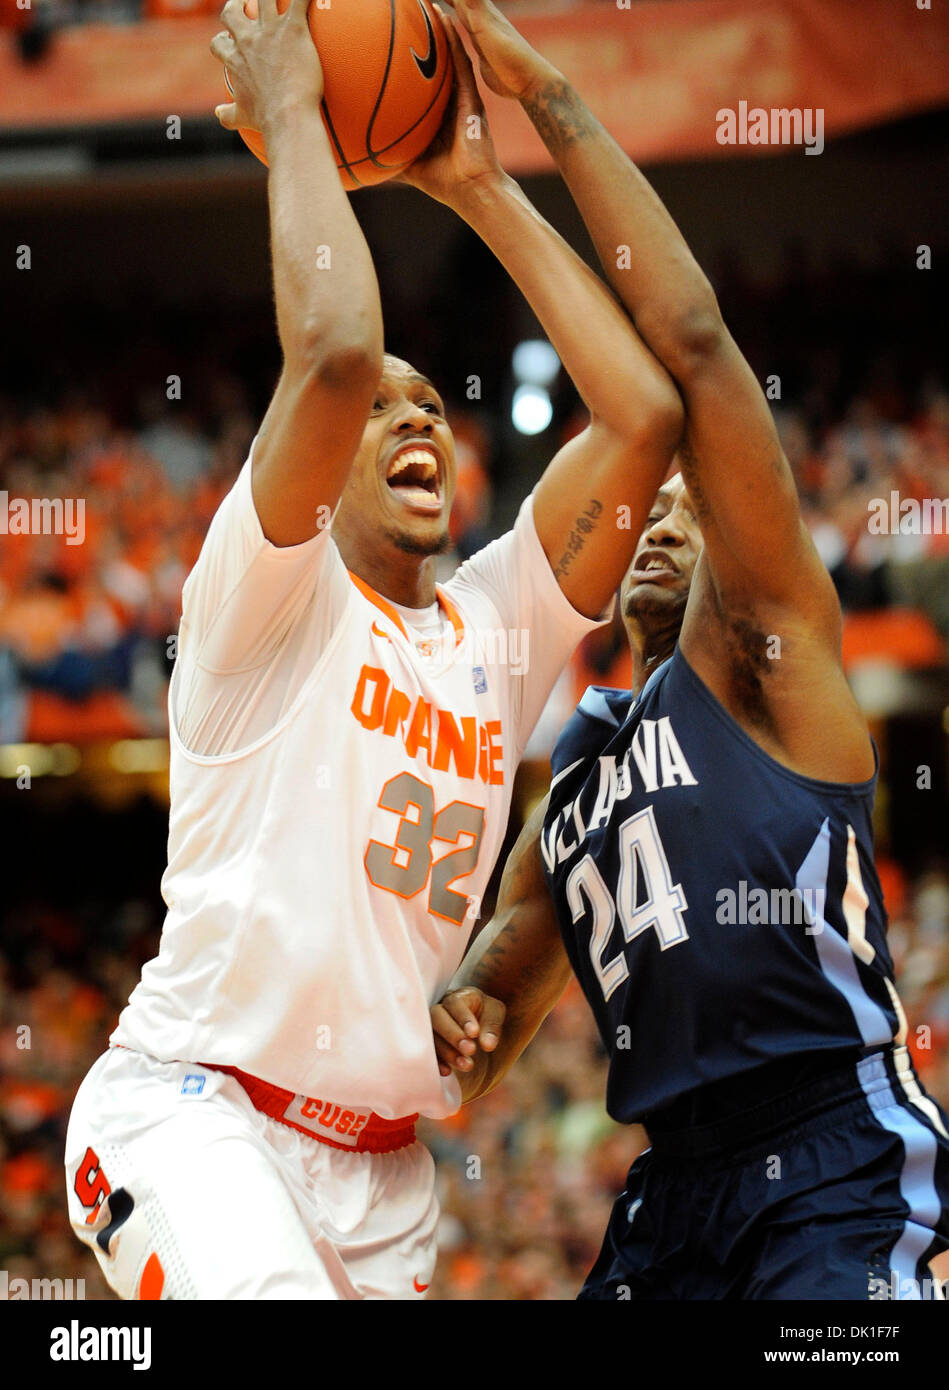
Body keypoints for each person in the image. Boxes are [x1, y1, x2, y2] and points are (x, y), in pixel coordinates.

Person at [63, 0, 683, 1300]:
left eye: (433, 406)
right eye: (380, 410)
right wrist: (294, 107)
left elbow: (643, 414)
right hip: (194, 1110)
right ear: (309, 451)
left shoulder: (495, 627)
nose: (416, 417)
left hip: (389, 1169)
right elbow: (336, 352)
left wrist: (476, 182)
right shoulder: (264, 593)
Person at [431, 0, 949, 1300]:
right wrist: (450, 1012)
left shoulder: (763, 656)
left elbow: (697, 349)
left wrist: (541, 116)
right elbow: (512, 969)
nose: (661, 505)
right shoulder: (579, 757)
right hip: (670, 1185)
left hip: (828, 1148)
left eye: (684, 495)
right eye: (639, 496)